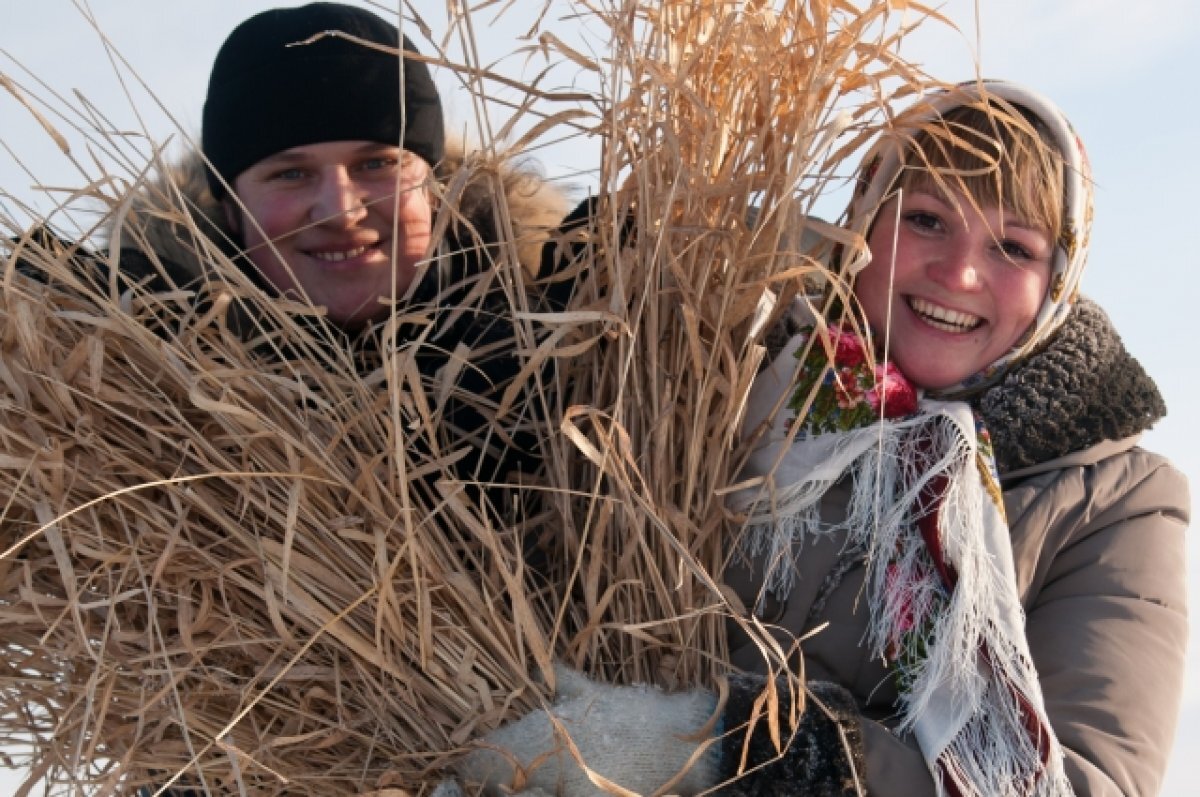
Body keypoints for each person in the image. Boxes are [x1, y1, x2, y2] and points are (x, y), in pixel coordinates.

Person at [449, 80, 1188, 797]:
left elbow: (1089, 784)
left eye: (1014, 248)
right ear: (862, 223)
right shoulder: (737, 373)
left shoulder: (1114, 504)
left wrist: (716, 744)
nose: (959, 272)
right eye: (927, 219)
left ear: (1059, 276)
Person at [19, 1, 571, 487]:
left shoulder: (587, 327)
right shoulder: (124, 386)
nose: (342, 211)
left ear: (436, 189)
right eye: (291, 175)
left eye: (378, 163)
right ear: (231, 211)